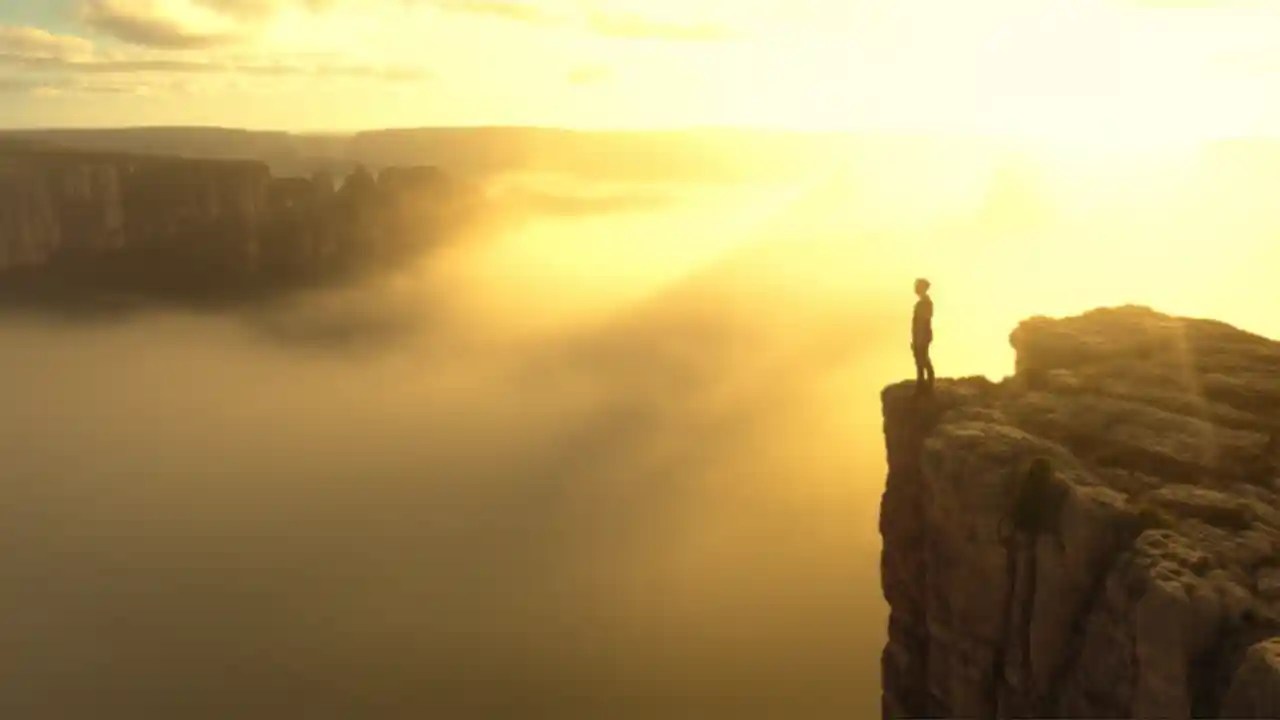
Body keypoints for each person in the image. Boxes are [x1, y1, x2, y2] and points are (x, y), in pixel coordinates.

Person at [912, 278, 934, 391]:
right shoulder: (924, 302)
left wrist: (920, 338)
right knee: (920, 359)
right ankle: (922, 383)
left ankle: (927, 384)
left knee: (923, 359)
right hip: (920, 335)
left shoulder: (925, 303)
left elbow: (924, 321)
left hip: (922, 335)